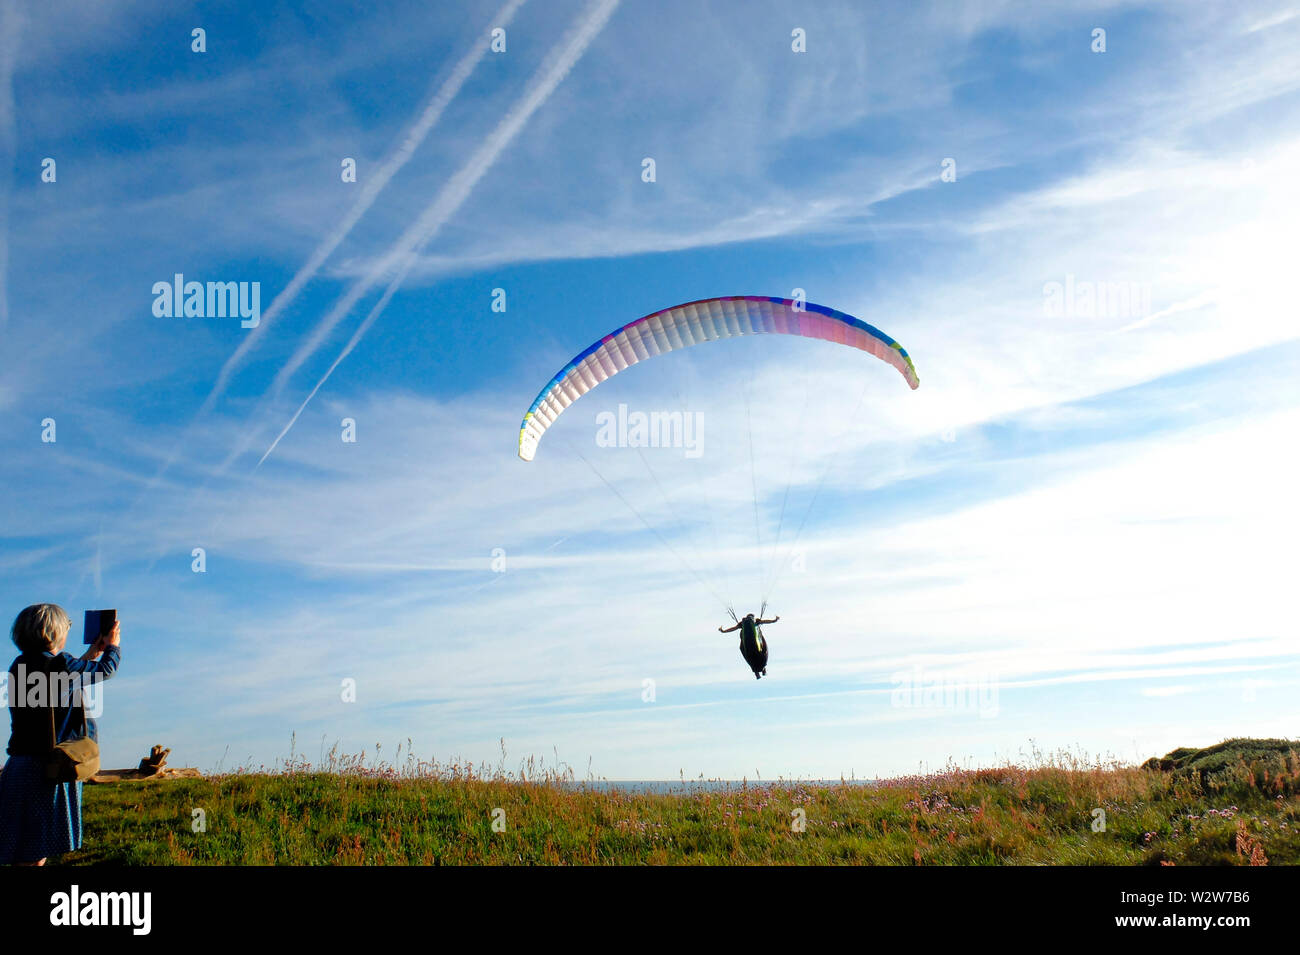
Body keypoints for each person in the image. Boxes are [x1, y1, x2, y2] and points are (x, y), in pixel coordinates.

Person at [0, 604, 121, 865]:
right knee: (36, 851)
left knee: (22, 847)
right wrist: (112, 647)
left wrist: (91, 653)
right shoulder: (61, 664)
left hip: (19, 766)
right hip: (50, 767)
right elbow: (105, 670)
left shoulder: (18, 665)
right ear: (54, 631)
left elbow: (63, 678)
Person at [718, 612, 778, 679]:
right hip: (747, 642)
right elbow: (733, 628)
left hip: (757, 639)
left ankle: (762, 669)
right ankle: (758, 672)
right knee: (745, 650)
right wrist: (723, 631)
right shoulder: (743, 624)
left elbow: (765, 621)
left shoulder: (755, 621)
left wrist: (774, 621)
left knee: (762, 648)